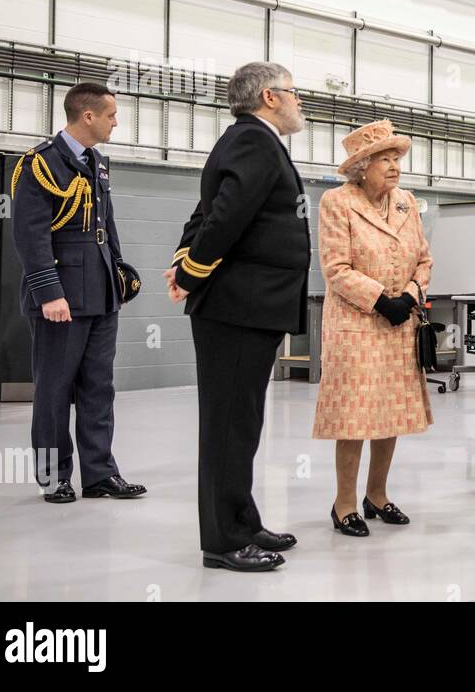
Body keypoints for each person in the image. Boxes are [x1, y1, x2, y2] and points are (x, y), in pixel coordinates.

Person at [165, 61, 310, 573]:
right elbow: (223, 216)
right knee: (229, 425)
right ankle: (223, 541)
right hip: (237, 306)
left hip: (249, 305)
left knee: (242, 422)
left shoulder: (253, 140)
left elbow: (207, 210)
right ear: (269, 97)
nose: (299, 102)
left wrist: (186, 262)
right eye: (294, 93)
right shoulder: (253, 141)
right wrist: (193, 272)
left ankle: (243, 520)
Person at [11, 82, 146, 503]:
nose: (116, 122)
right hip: (61, 297)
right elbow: (30, 236)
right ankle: (54, 477)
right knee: (54, 389)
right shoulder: (40, 164)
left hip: (100, 293)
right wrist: (49, 293)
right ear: (87, 116)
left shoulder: (97, 162)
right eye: (111, 115)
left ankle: (100, 473)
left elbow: (106, 226)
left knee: (98, 387)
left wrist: (119, 275)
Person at [312, 120, 433, 537]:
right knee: (354, 415)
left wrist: (412, 295)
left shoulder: (406, 202)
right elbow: (336, 268)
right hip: (356, 324)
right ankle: (344, 503)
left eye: (396, 158)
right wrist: (382, 299)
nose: (394, 166)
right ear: (361, 166)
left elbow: (424, 259)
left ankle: (376, 495)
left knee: (391, 413)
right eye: (384, 159)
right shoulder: (336, 202)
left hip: (401, 323)